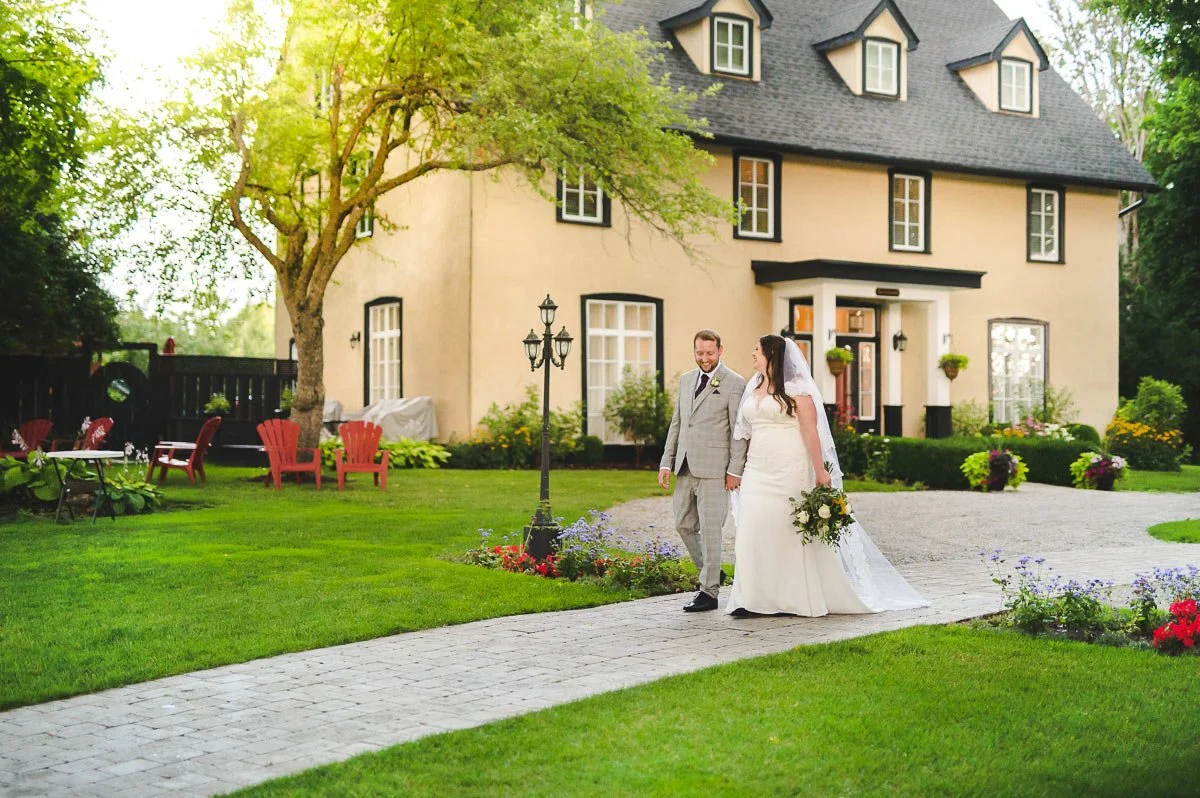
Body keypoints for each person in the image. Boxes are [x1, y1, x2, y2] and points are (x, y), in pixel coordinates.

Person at [726, 334, 928, 617]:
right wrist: (739, 467)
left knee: (786, 530)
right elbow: (743, 432)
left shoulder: (797, 389)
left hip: (790, 467)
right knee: (753, 528)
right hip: (758, 468)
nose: (753, 354)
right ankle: (752, 598)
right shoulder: (755, 385)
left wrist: (820, 471)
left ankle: (791, 598)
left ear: (771, 355)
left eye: (757, 350)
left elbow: (811, 431)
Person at [659, 329, 748, 612]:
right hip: (685, 465)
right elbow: (678, 424)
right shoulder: (686, 381)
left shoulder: (735, 383)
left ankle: (709, 593)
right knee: (683, 524)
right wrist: (666, 461)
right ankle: (711, 572)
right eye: (700, 353)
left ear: (721, 350)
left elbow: (739, 431)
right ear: (694, 350)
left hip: (715, 470)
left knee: (711, 531)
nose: (704, 358)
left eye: (710, 353)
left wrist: (735, 470)